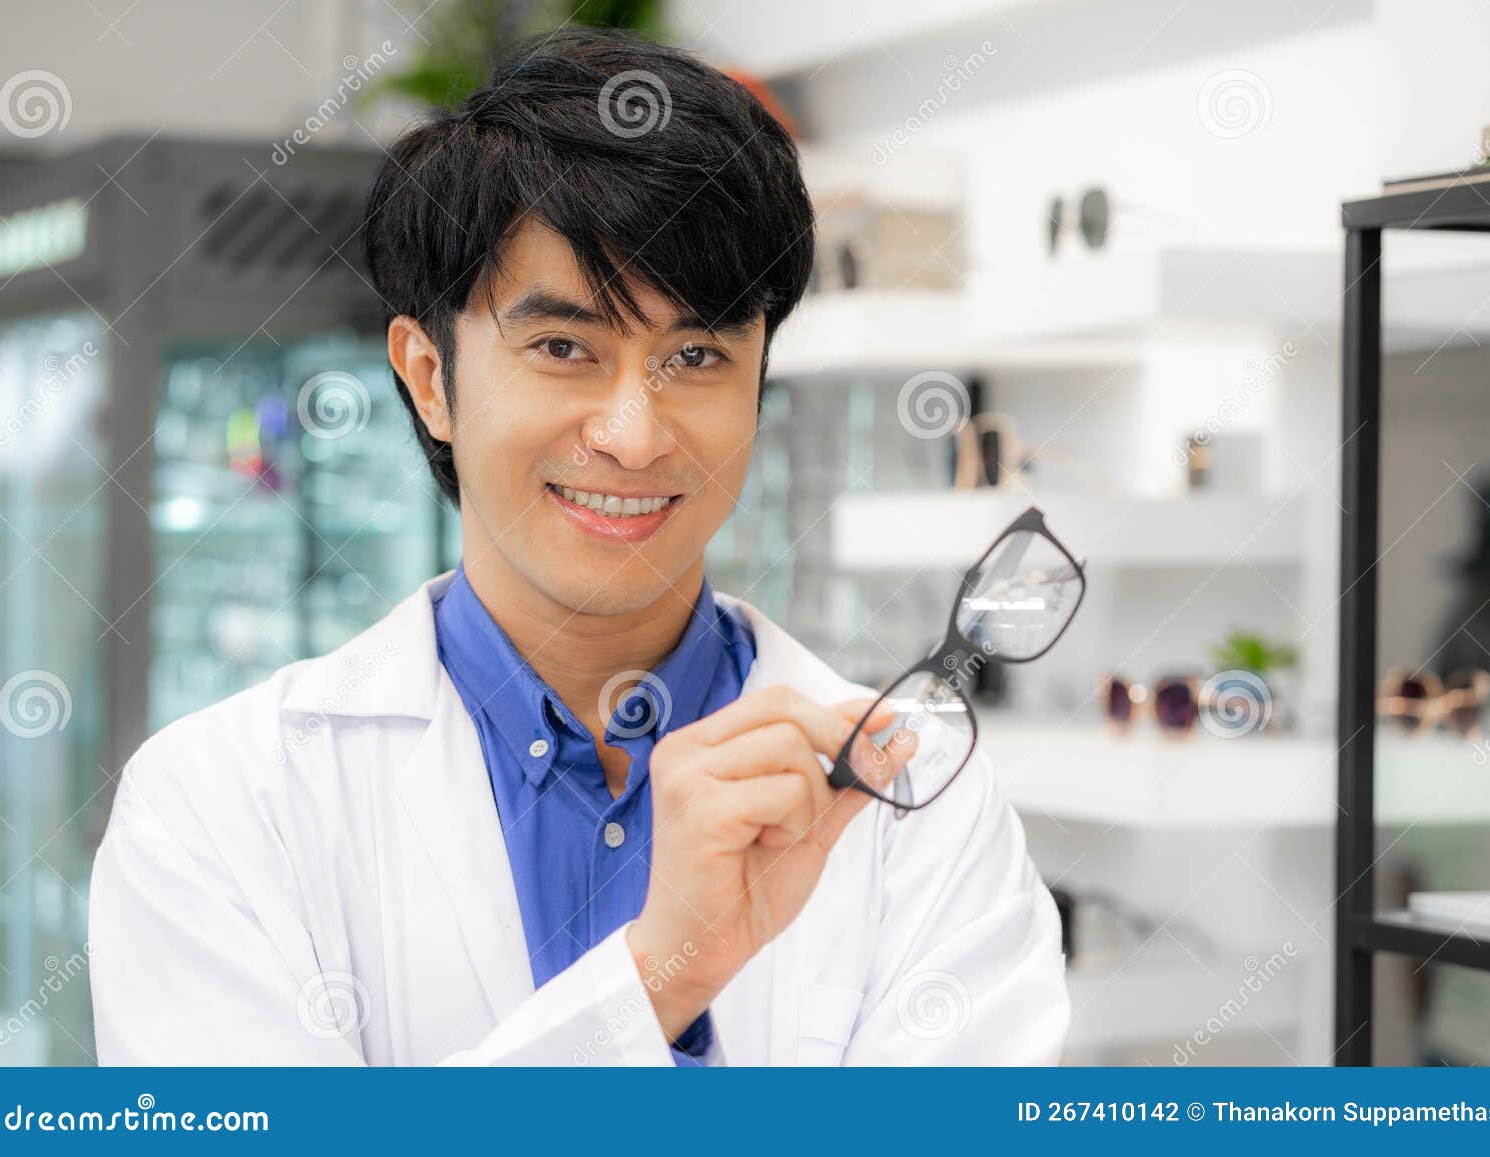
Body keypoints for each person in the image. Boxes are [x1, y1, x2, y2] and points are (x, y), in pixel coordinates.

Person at [89, 27, 1067, 1066]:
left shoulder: (922, 805)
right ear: (430, 377)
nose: (633, 434)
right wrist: (659, 979)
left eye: (696, 354)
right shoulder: (221, 807)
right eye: (563, 347)